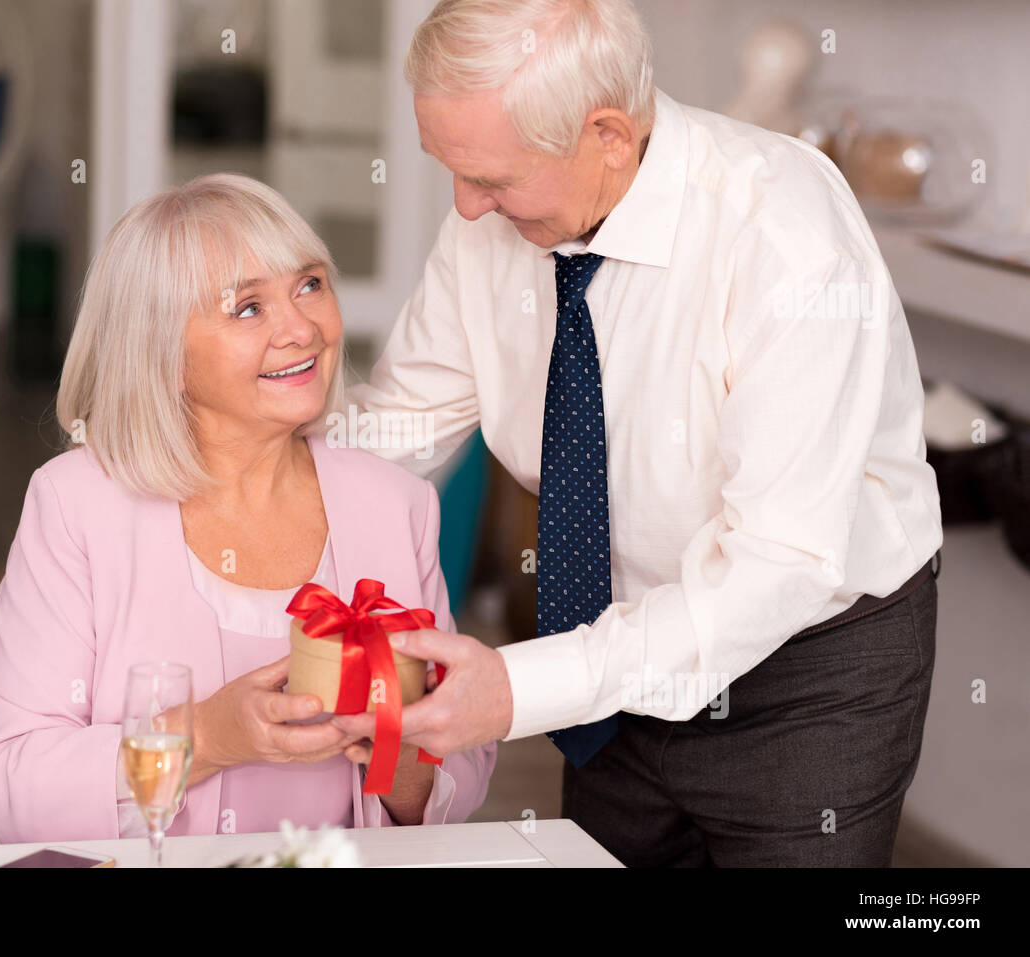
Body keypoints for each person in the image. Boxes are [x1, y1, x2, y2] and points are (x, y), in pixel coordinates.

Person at [334, 0, 942, 866]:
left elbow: (779, 560)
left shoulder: (785, 236)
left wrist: (519, 686)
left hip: (806, 660)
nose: (466, 210)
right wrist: (223, 463)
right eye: (453, 174)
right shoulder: (492, 225)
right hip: (612, 639)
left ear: (609, 135)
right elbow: (399, 427)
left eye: (493, 180)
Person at [0, 173, 495, 844]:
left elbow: (463, 775)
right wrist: (209, 735)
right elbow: (10, 784)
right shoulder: (76, 506)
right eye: (248, 307)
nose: (301, 327)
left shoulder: (397, 505)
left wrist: (397, 743)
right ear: (164, 354)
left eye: (309, 283)